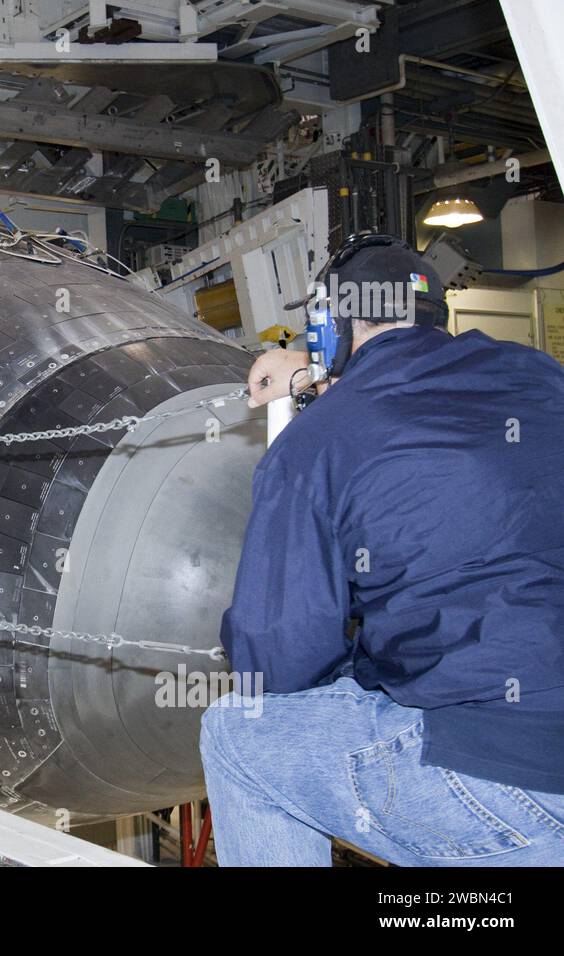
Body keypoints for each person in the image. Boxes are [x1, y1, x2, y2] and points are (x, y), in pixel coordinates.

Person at [200, 233, 564, 866]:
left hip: (514, 784)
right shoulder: (540, 376)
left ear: (329, 325)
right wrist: (320, 384)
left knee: (238, 731)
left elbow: (279, 658)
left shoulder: (316, 444)